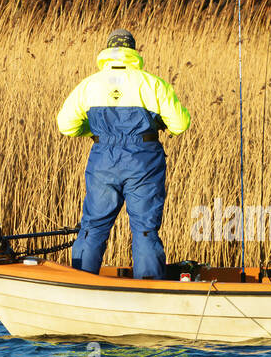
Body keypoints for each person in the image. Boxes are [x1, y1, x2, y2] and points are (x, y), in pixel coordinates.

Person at [56, 29, 190, 279]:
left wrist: (95, 132)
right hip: (144, 160)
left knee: (93, 226)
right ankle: (149, 286)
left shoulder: (89, 84)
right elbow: (180, 125)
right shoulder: (152, 83)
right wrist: (161, 125)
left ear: (107, 51)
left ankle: (81, 282)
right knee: (145, 229)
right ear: (133, 51)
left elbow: (66, 126)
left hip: (103, 158)